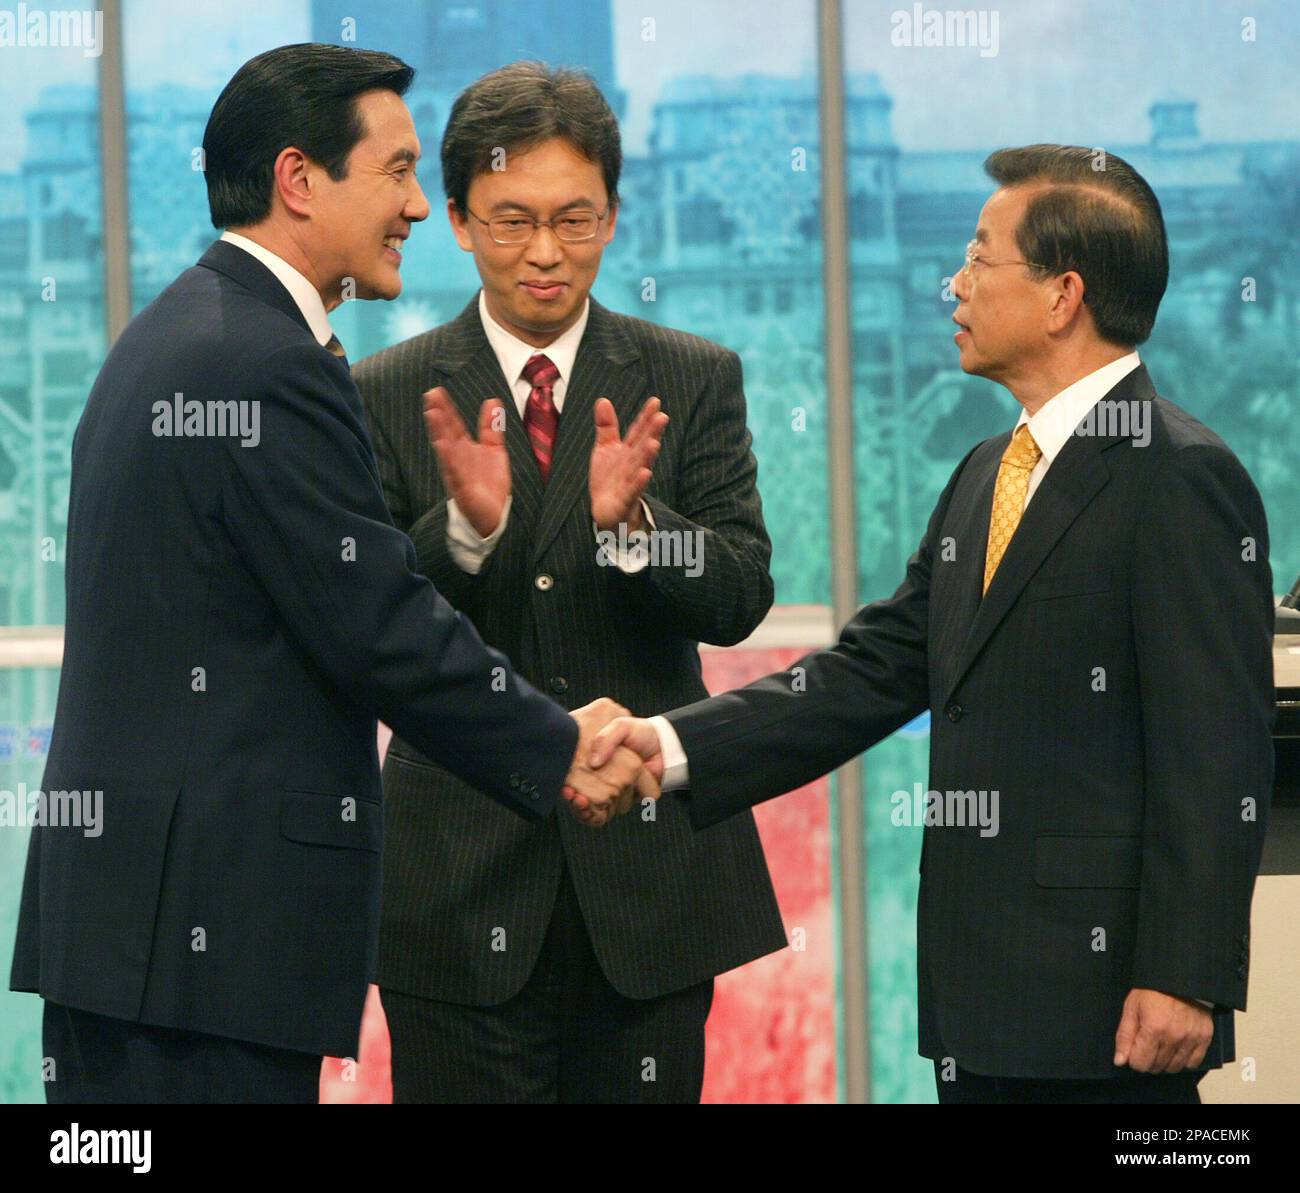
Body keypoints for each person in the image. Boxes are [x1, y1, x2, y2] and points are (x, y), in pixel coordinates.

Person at [10, 43, 647, 1106]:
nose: (412, 204)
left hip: (141, 940)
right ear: (300, 180)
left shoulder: (175, 334)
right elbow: (378, 622)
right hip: (200, 952)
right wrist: (557, 744)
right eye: (396, 171)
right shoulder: (262, 362)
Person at [585, 145, 1276, 1105]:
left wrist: (1185, 972)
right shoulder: (986, 471)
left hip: (1110, 1006)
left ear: (1062, 294)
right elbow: (867, 673)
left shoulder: (1182, 476)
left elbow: (1216, 750)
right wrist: (666, 745)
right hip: (979, 1004)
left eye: (980, 258)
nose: (953, 282)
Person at [353, 61, 785, 1104]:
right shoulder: (384, 392)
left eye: (573, 220)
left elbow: (741, 592)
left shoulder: (690, 375)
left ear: (614, 215)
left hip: (648, 879)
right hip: (456, 882)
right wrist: (463, 528)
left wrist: (638, 527)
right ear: (456, 219)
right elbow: (366, 624)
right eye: (509, 222)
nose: (544, 253)